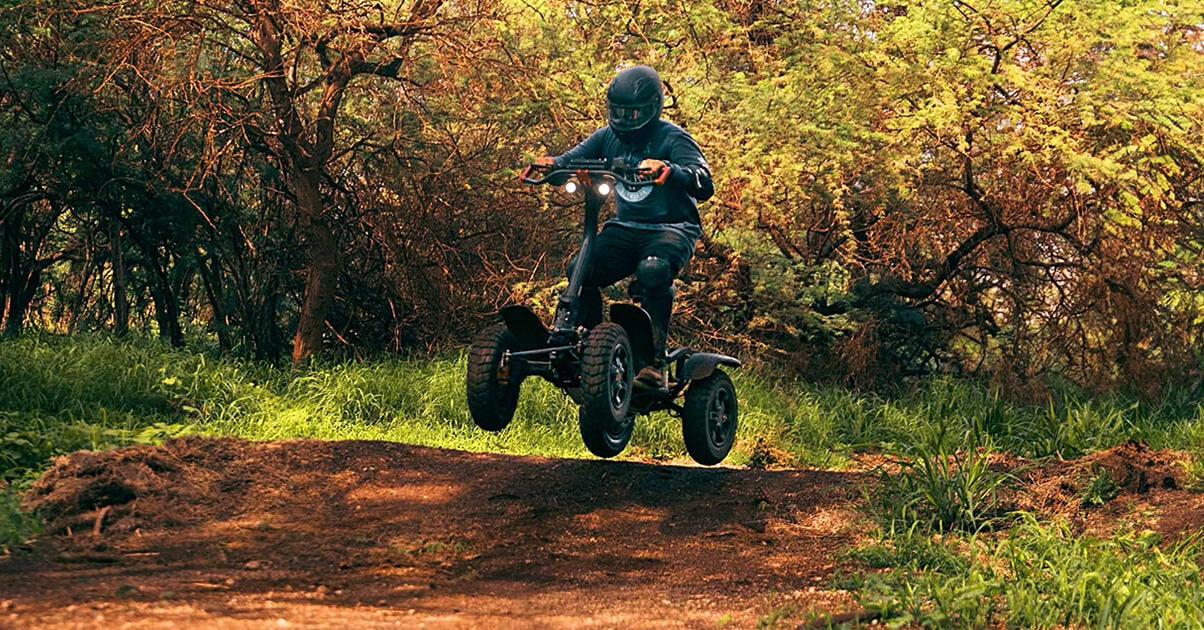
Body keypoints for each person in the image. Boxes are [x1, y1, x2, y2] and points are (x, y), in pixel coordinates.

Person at [535, 65, 714, 386]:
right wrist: (555, 164)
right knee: (580, 267)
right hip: (626, 227)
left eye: (633, 113)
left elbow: (704, 181)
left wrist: (671, 169)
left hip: (672, 228)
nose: (625, 119)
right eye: (618, 111)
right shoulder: (607, 136)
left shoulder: (673, 137)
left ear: (652, 108)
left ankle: (652, 363)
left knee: (654, 270)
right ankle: (590, 347)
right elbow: (573, 157)